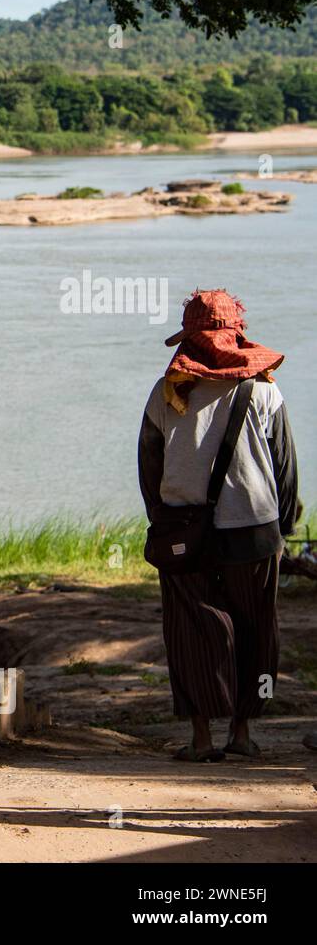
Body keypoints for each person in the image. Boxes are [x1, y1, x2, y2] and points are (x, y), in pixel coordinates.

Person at [138, 289, 299, 762]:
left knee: (192, 630)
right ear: (237, 335)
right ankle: (244, 734)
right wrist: (284, 527)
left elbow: (150, 466)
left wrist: (162, 521)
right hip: (255, 529)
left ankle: (202, 739)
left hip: (183, 530)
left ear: (189, 337)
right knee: (256, 627)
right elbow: (285, 467)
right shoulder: (266, 389)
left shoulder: (167, 391)